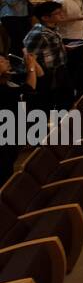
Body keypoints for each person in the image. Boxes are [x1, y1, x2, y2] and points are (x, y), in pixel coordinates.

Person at [0, 50, 39, 183]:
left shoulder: (9, 78)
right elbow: (29, 89)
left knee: (9, 164)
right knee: (5, 171)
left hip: (11, 133)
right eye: (1, 61)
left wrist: (32, 63)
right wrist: (31, 67)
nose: (6, 61)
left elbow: (40, 75)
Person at [23, 1, 68, 108]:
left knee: (64, 101)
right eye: (57, 13)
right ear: (45, 18)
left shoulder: (51, 29)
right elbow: (29, 58)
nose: (62, 14)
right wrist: (41, 76)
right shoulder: (39, 33)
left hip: (58, 70)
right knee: (50, 104)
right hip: (47, 74)